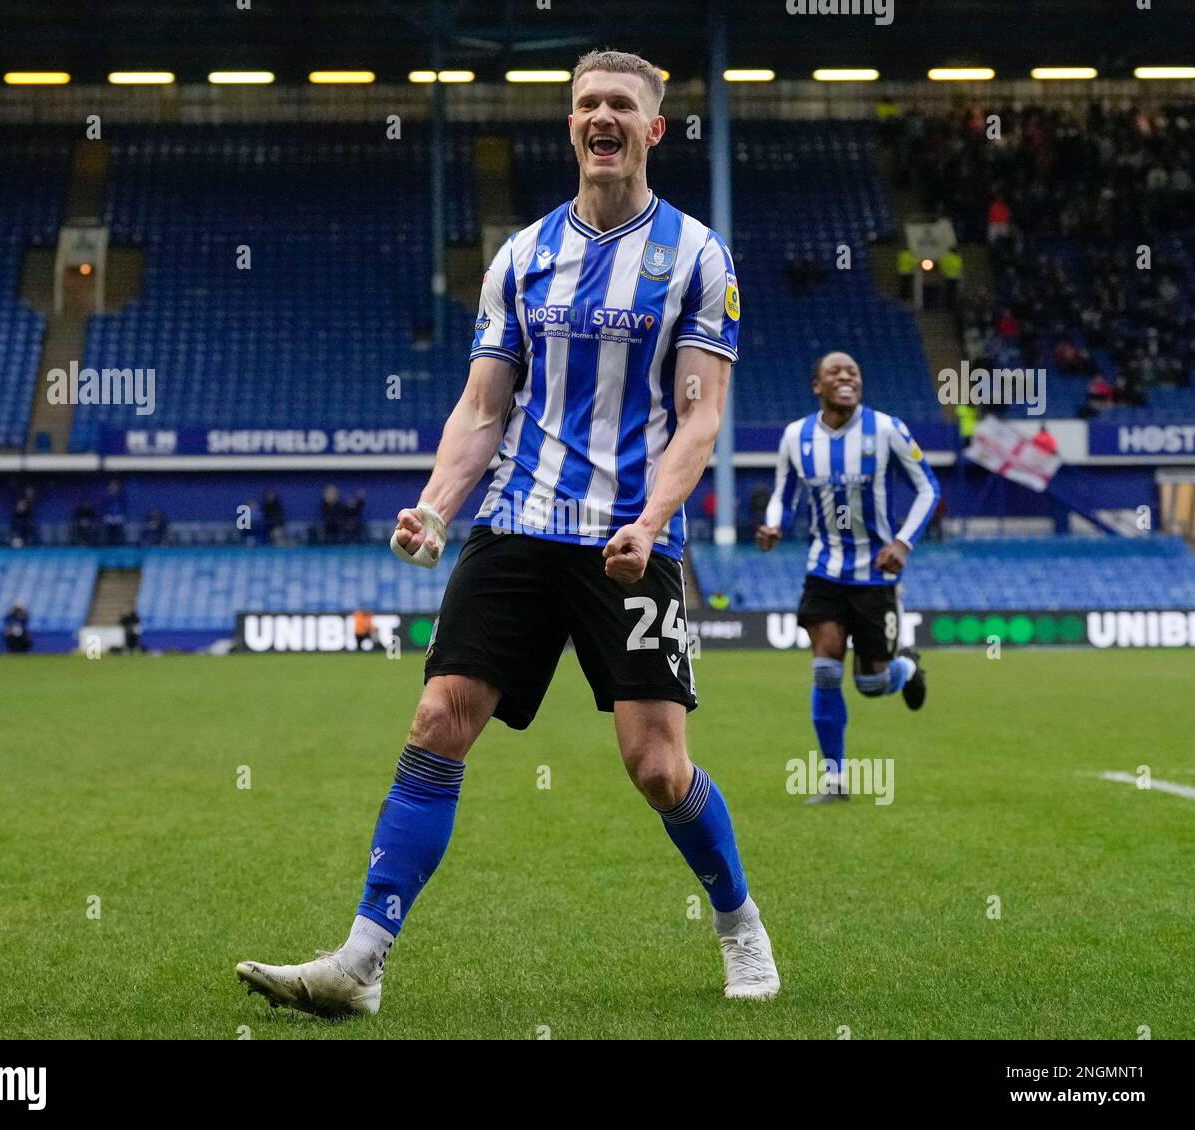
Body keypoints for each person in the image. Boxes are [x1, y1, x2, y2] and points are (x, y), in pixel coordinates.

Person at [236, 49, 778, 1018]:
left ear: (653, 129)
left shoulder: (699, 255)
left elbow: (701, 414)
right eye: (585, 105)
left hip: (632, 539)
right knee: (440, 717)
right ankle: (360, 962)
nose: (600, 117)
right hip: (517, 525)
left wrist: (651, 521)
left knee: (656, 765)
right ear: (570, 126)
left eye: (620, 104)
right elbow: (483, 408)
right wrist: (437, 505)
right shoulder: (520, 256)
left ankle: (738, 922)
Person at [756, 352, 938, 803]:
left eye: (853, 372)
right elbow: (783, 495)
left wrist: (902, 543)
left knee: (872, 683)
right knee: (824, 670)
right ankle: (835, 780)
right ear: (817, 385)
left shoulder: (888, 429)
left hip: (875, 575)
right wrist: (774, 523)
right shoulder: (795, 436)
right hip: (824, 571)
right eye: (835, 372)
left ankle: (907, 667)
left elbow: (929, 487)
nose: (845, 377)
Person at [101, 480, 126, 546]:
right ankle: (107, 545)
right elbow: (103, 510)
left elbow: (124, 510)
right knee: (107, 523)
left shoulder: (122, 498)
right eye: (111, 487)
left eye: (115, 487)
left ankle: (120, 545)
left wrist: (118, 517)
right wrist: (108, 517)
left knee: (119, 523)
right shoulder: (105, 499)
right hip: (108, 520)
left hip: (119, 519)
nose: (113, 488)